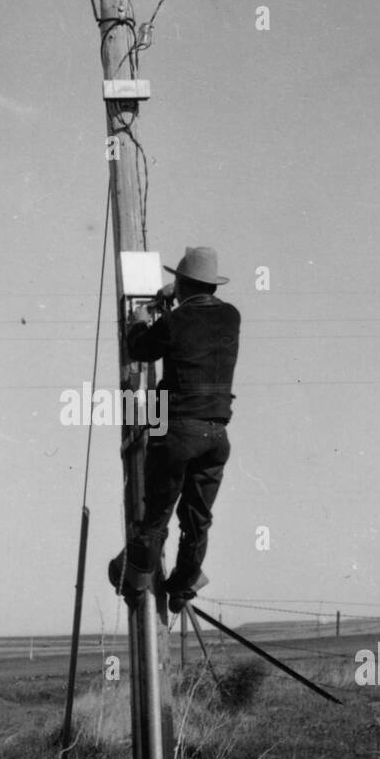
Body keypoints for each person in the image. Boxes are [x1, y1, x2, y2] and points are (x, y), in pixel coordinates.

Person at [109, 246, 240, 613]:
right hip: (216, 434)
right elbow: (199, 323)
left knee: (156, 516)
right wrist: (178, 296)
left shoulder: (174, 321)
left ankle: (135, 583)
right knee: (197, 519)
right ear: (212, 286)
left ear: (181, 282)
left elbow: (140, 349)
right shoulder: (231, 317)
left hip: (176, 431)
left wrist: (139, 318)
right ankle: (182, 588)